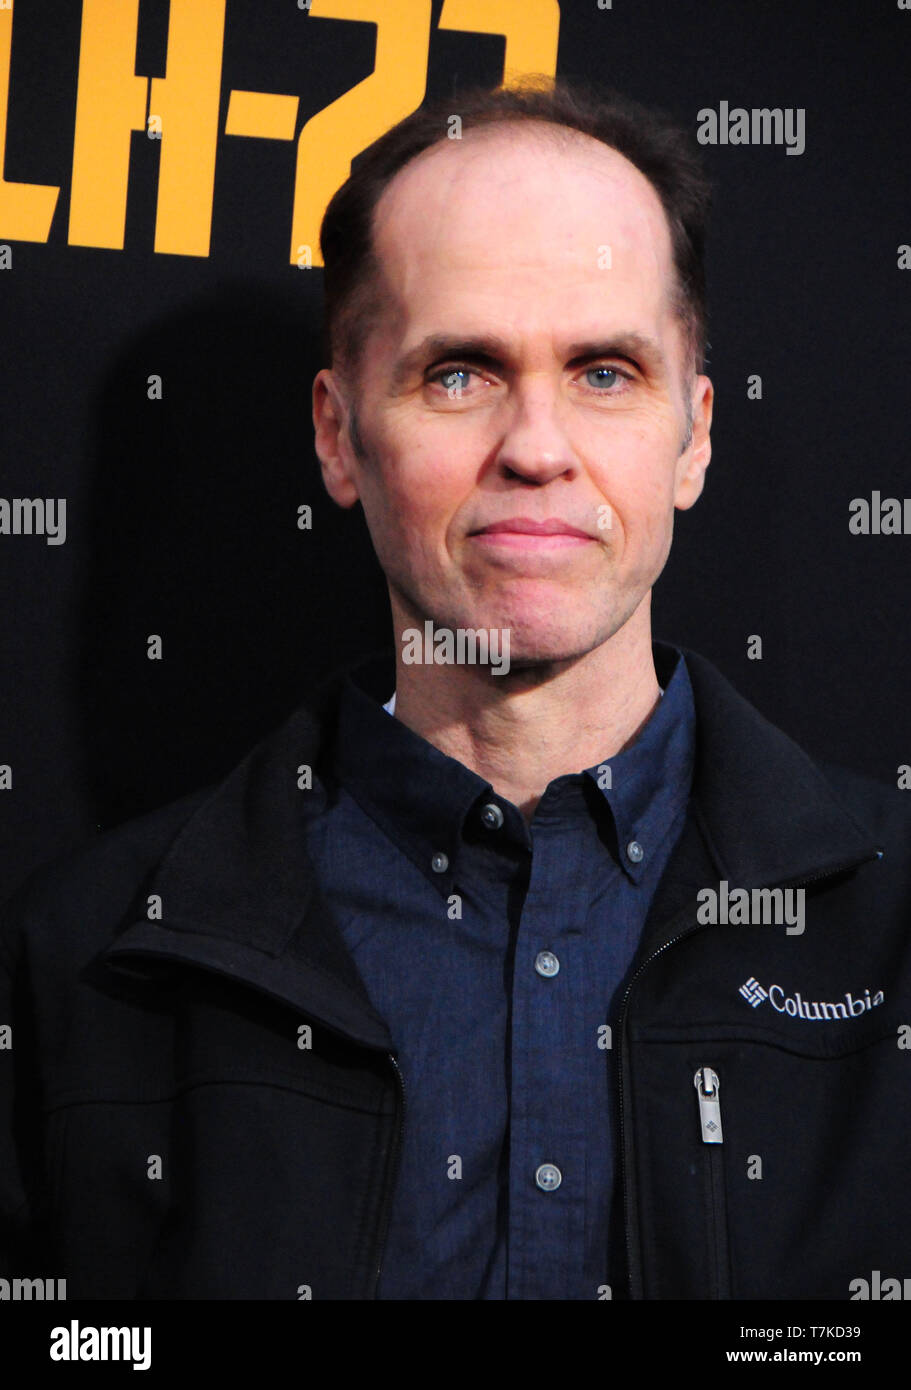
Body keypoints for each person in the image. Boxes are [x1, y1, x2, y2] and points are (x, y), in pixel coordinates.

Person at [2, 77, 910, 1303]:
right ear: (336, 435)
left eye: (602, 372)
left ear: (692, 434)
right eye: (458, 374)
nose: (535, 446)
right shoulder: (82, 969)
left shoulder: (892, 927)